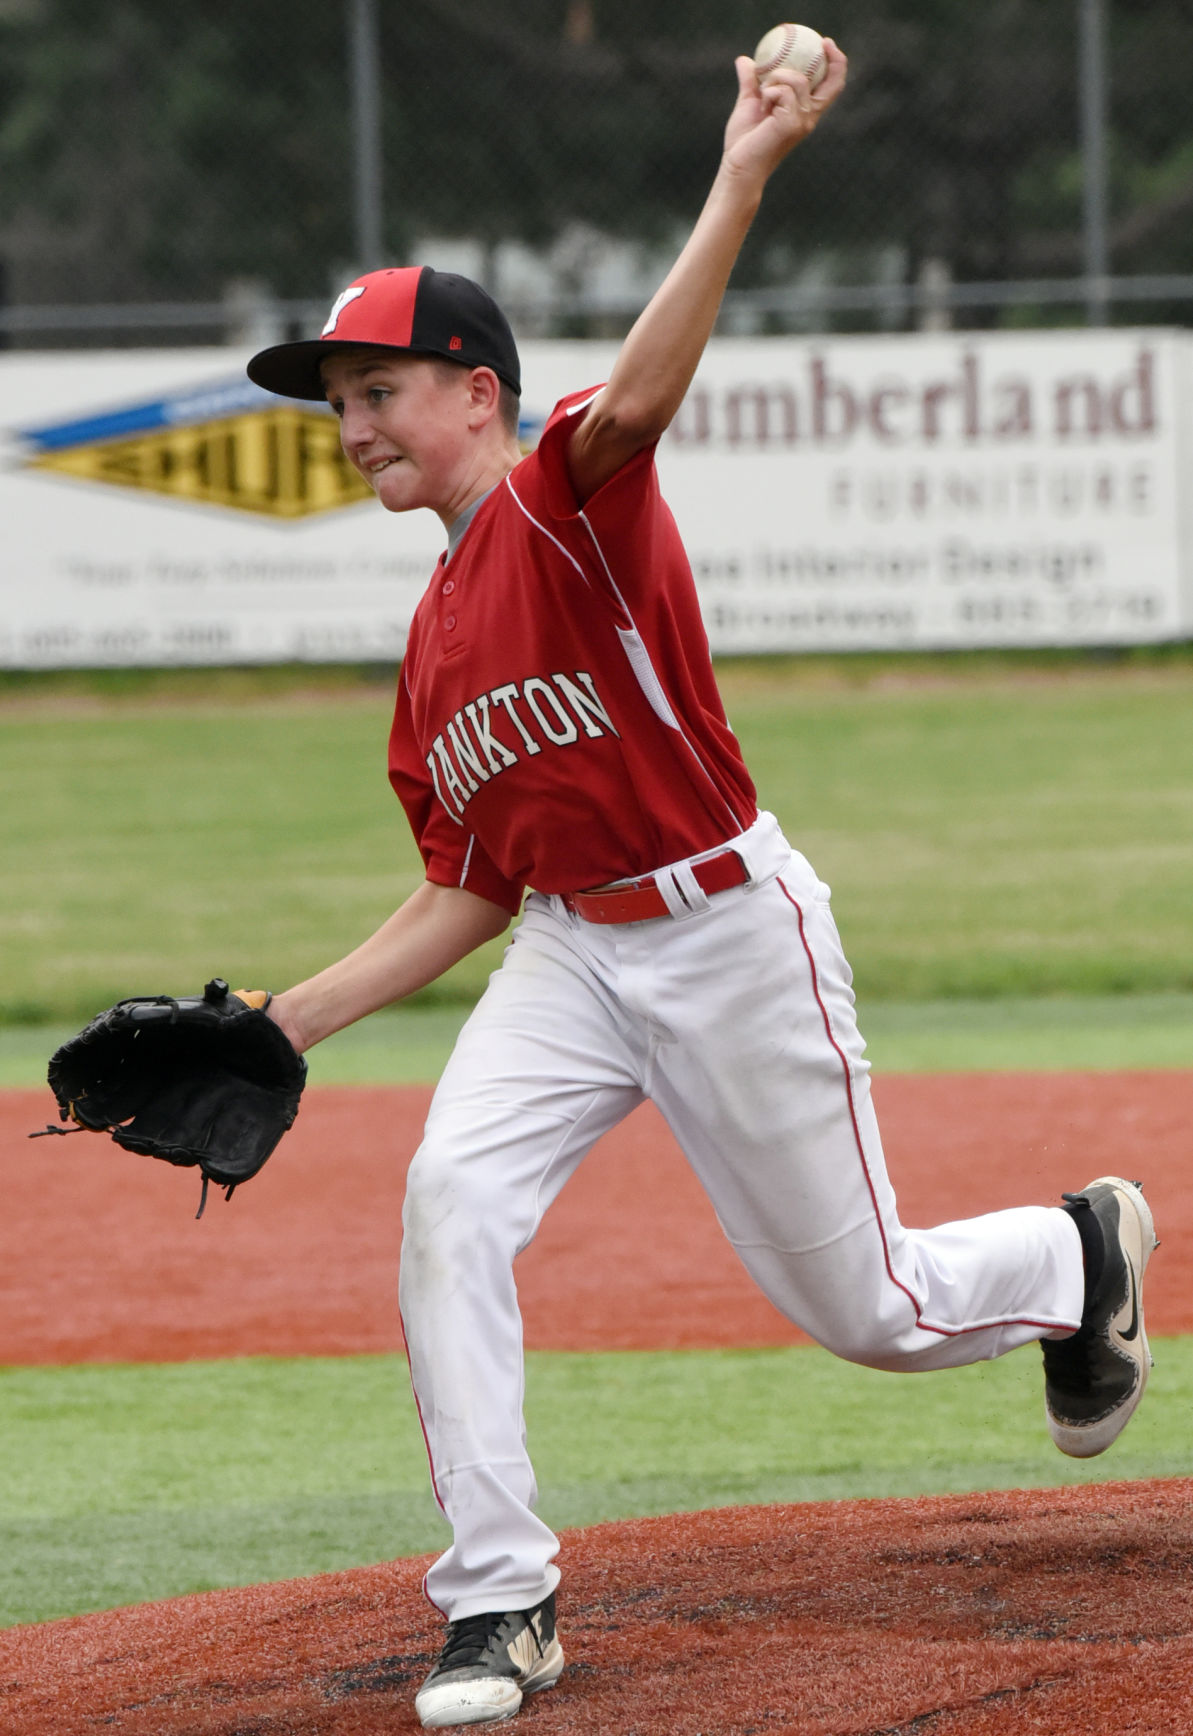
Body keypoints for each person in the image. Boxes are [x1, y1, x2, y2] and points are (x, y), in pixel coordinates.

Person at [245, 41, 1156, 1732]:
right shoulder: (431, 653)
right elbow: (466, 890)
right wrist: (281, 1022)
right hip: (573, 957)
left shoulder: (559, 503)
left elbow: (648, 395)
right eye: (336, 399)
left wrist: (744, 167)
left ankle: (1071, 1250)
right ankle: (499, 1602)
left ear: (475, 390)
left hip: (732, 929)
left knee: (868, 1313)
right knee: (451, 1200)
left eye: (378, 388)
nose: (351, 422)